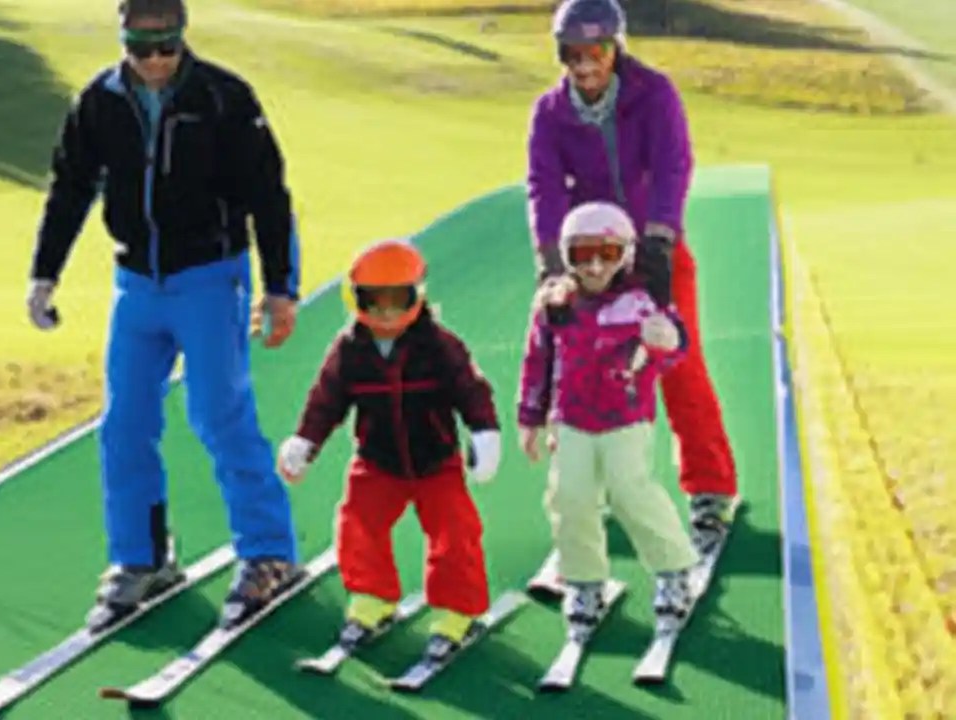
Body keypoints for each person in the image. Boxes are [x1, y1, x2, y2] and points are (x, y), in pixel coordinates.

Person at [25, 0, 304, 631]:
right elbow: (70, 186)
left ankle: (269, 554)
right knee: (123, 425)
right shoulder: (99, 101)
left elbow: (269, 197)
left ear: (183, 38)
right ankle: (141, 558)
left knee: (219, 416)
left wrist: (280, 287)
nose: (155, 62)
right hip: (136, 285)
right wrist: (45, 274)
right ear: (123, 38)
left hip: (209, 278)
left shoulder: (224, 98)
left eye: (167, 48)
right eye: (142, 48)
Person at [526, 0, 738, 556]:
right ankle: (588, 497)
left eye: (595, 52)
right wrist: (553, 269)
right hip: (590, 260)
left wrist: (661, 240)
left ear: (616, 48)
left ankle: (711, 490)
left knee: (680, 365)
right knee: (586, 375)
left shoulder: (653, 94)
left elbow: (673, 164)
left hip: (650, 249)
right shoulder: (551, 112)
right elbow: (544, 187)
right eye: (572, 54)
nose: (585, 65)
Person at [274, 239, 503, 657]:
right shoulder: (349, 350)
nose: (386, 312)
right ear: (357, 299)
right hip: (377, 461)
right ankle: (372, 598)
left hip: (436, 461)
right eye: (374, 301)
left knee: (455, 532)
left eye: (398, 300)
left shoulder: (439, 345)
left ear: (417, 296)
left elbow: (471, 390)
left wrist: (484, 433)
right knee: (358, 523)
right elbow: (327, 400)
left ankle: (457, 612)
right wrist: (306, 440)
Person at [518, 201, 701, 640]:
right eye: (582, 255)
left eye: (608, 253)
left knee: (629, 492)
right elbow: (537, 360)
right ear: (566, 255)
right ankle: (583, 582)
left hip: (626, 416)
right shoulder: (554, 304)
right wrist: (531, 417)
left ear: (627, 254)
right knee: (570, 497)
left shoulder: (641, 302)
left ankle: (674, 570)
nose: (596, 265)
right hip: (572, 419)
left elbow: (675, 348)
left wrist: (668, 339)